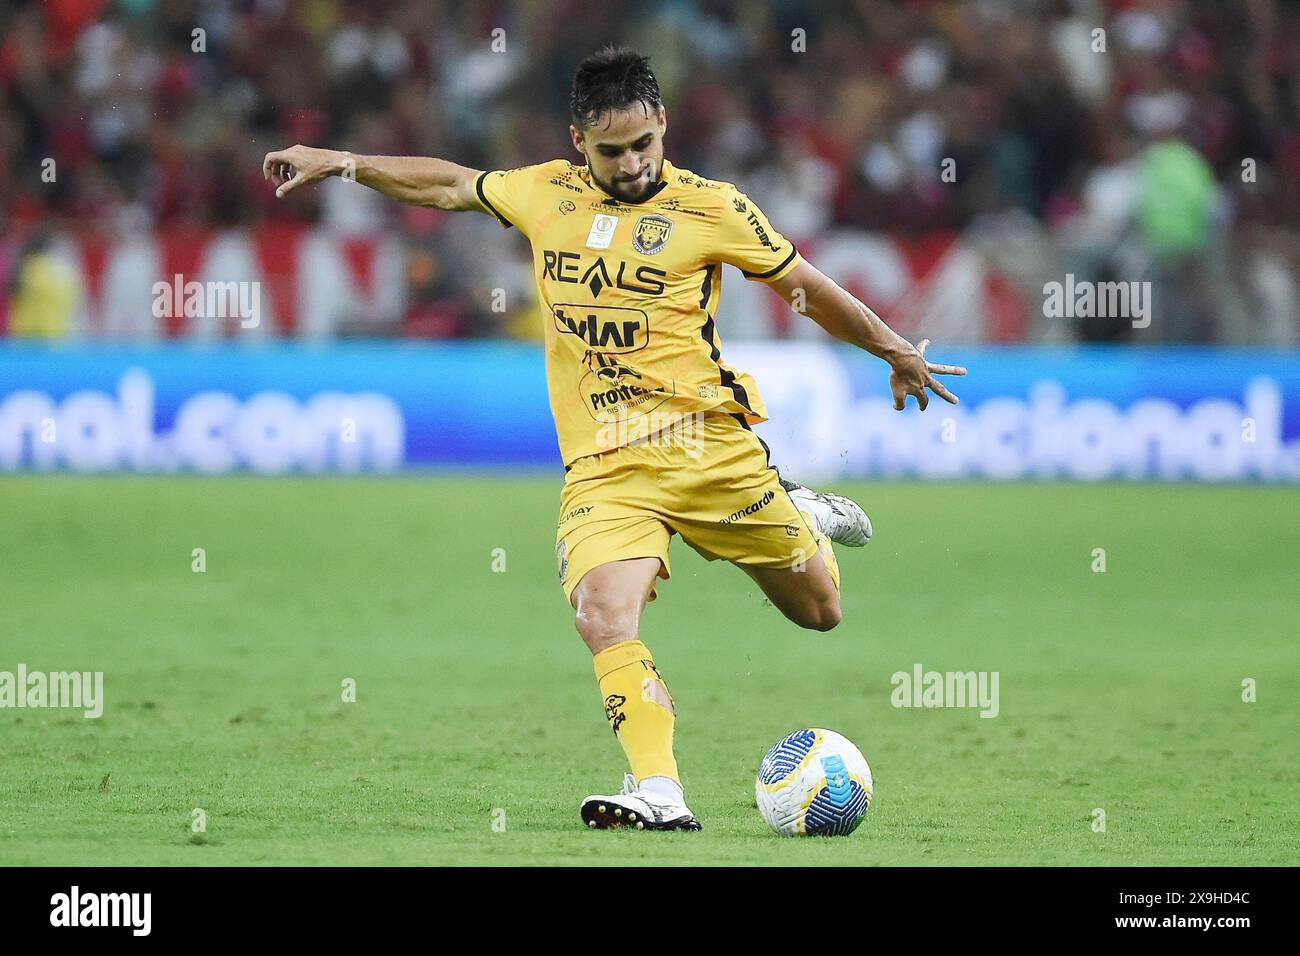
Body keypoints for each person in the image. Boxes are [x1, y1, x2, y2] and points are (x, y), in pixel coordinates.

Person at [262, 46, 965, 831]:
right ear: (577, 141)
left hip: (709, 450)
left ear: (663, 125)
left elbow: (805, 287)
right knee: (603, 616)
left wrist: (895, 349)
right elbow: (453, 184)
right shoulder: (544, 194)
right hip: (606, 466)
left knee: (821, 611)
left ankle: (798, 513)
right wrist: (343, 162)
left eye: (642, 145)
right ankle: (661, 792)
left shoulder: (714, 209)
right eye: (610, 151)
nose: (630, 164)